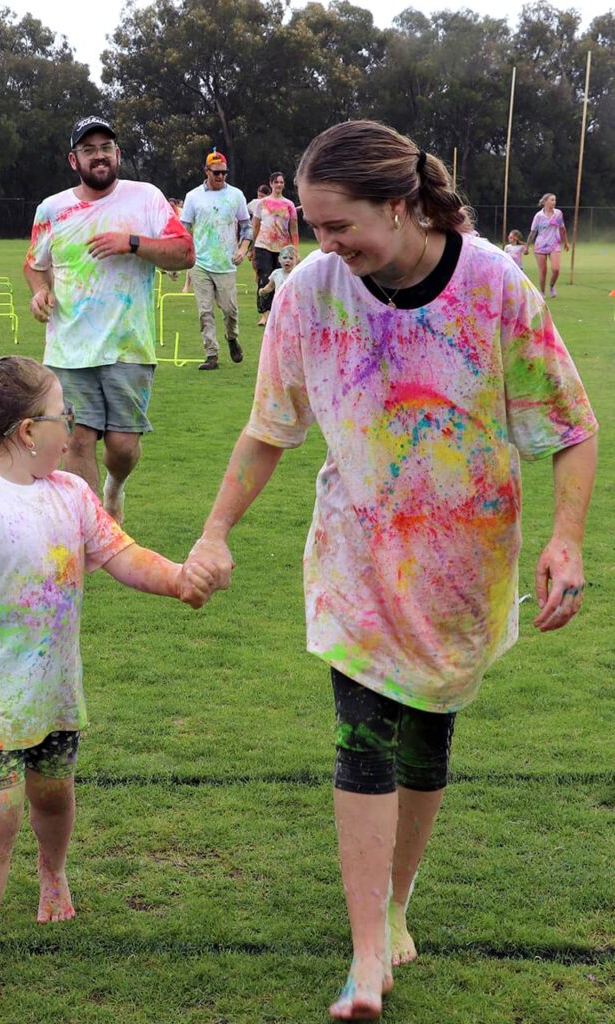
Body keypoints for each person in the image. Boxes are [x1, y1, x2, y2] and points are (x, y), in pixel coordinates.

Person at [186, 120, 597, 1021]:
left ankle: (398, 900)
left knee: (426, 742)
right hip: (355, 562)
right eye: (314, 228)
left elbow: (570, 427)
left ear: (404, 205)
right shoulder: (307, 295)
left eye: (340, 228)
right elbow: (268, 431)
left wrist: (564, 539)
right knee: (362, 737)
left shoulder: (494, 285)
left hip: (464, 568)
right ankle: (366, 954)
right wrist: (215, 531)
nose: (322, 247)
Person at [0, 355, 211, 1013]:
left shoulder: (71, 494)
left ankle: (52, 873)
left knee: (53, 796)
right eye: (65, 415)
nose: (72, 428)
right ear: (29, 430)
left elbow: (121, 554)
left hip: (54, 692)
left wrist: (177, 578)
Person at [24, 116, 194, 524]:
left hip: (129, 347)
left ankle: (115, 489)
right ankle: (87, 529)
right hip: (68, 348)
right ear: (73, 159)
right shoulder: (52, 209)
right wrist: (40, 292)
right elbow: (34, 265)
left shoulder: (146, 198)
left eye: (106, 147)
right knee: (77, 443)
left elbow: (185, 253)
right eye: (89, 149)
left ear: (117, 154)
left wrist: (132, 243)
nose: (98, 155)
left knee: (121, 447)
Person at [181, 150, 252, 370]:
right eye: (216, 173)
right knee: (205, 312)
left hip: (226, 263)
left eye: (224, 173)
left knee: (230, 311)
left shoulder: (236, 195)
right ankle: (211, 354)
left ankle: (232, 338)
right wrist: (184, 256)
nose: (221, 177)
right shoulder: (193, 197)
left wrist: (242, 249)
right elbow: (184, 230)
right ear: (206, 171)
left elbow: (247, 227)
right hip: (200, 263)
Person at [251, 171, 299, 327]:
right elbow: (256, 225)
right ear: (271, 184)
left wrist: (295, 250)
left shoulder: (289, 205)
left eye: (281, 182)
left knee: (282, 280)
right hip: (263, 245)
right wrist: (251, 248)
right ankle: (265, 314)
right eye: (276, 182)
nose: (279, 185)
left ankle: (280, 312)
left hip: (283, 248)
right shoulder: (261, 203)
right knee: (265, 278)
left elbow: (293, 230)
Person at [526, 193, 569, 297]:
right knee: (543, 271)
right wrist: (527, 246)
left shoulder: (558, 213)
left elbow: (562, 228)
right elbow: (533, 232)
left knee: (556, 269)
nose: (554, 202)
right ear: (545, 202)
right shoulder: (539, 216)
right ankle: (542, 292)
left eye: (554, 200)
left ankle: (552, 286)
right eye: (552, 200)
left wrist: (566, 242)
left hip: (554, 244)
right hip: (540, 245)